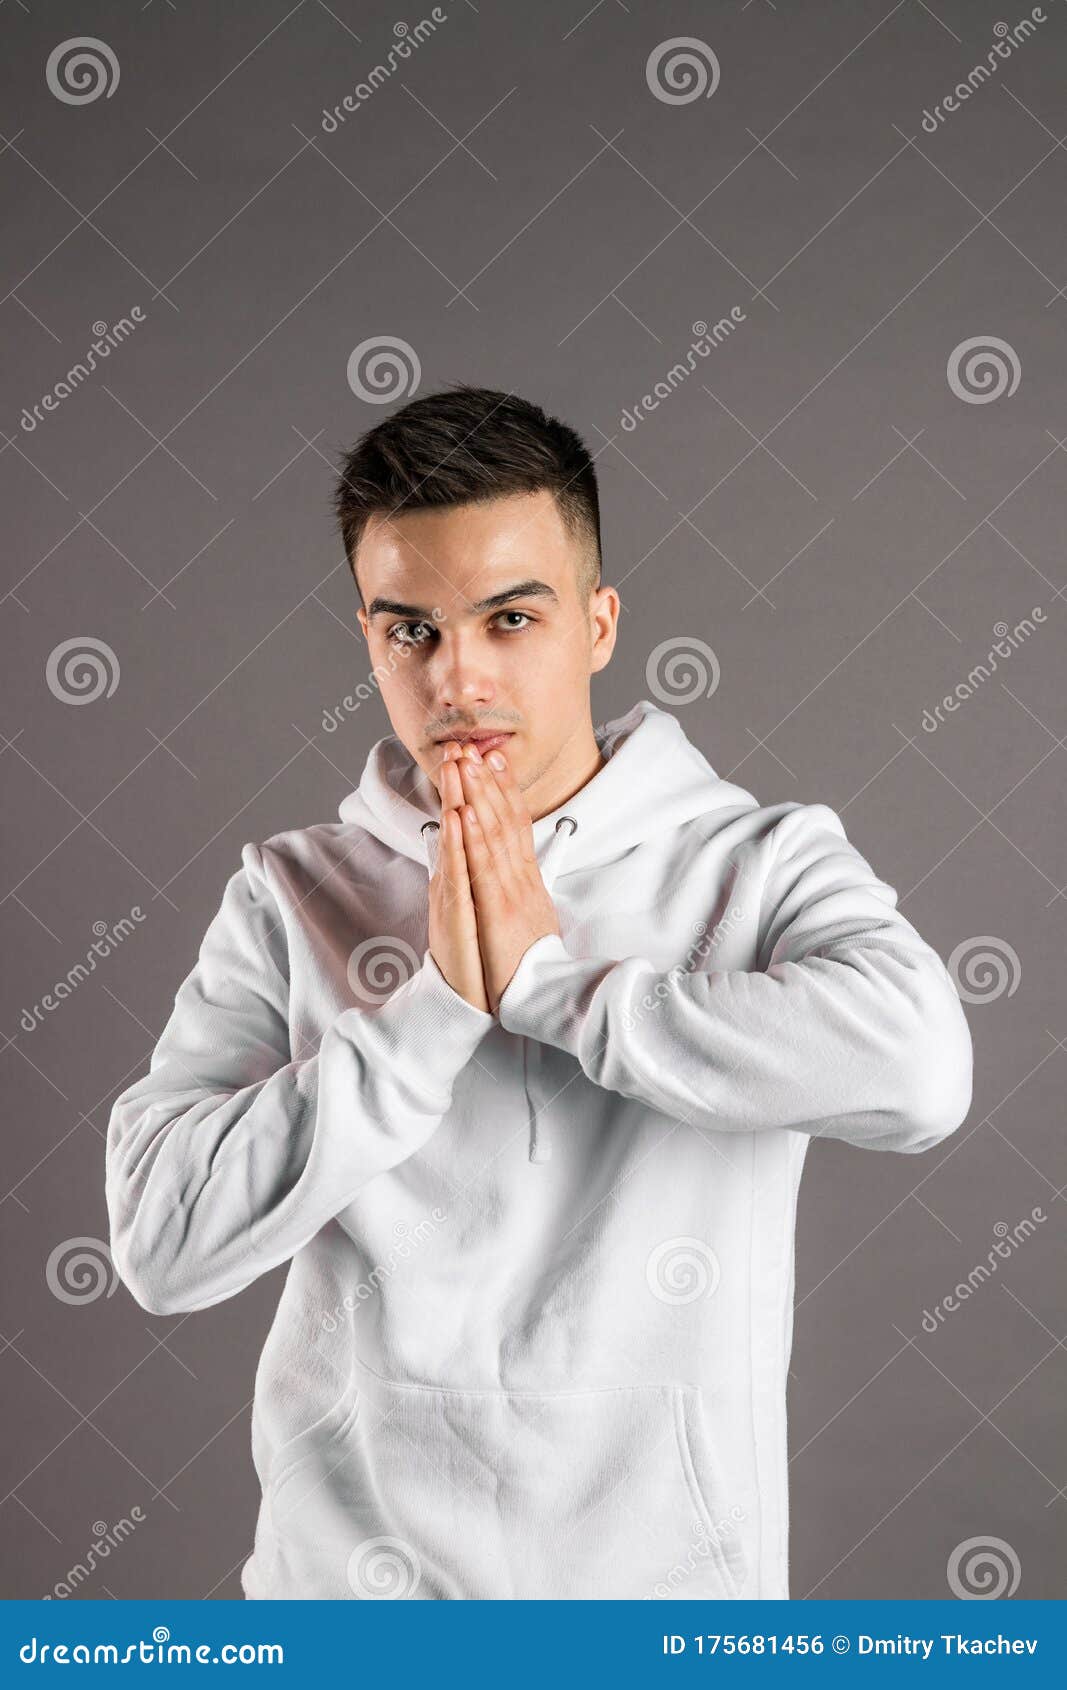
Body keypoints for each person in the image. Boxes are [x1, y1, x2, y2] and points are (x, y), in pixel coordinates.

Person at [105, 384, 974, 1601]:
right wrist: (436, 1010)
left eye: (509, 617)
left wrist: (552, 988)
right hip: (345, 1625)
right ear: (367, 635)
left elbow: (920, 1072)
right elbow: (159, 1241)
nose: (457, 677)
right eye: (409, 629)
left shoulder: (754, 860)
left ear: (599, 623)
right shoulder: (289, 890)